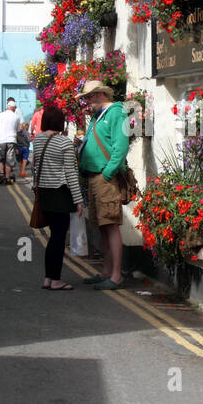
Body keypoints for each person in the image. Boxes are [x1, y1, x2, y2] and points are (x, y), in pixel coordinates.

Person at [77, 79, 131, 290]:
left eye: (88, 98)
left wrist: (108, 173)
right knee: (101, 227)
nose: (87, 103)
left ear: (99, 95)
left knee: (110, 226)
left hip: (104, 177)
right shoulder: (97, 116)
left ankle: (116, 275)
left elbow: (121, 145)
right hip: (95, 177)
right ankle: (107, 271)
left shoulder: (117, 112)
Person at [32, 105, 84, 291]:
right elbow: (71, 174)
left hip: (44, 192)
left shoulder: (38, 139)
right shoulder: (64, 143)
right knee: (58, 238)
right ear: (61, 122)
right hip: (60, 193)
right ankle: (55, 280)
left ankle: (48, 277)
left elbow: (35, 165)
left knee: (54, 237)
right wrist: (78, 200)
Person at [0, 97, 20, 185]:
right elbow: (18, 131)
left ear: (7, 107)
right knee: (9, 159)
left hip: (0, 140)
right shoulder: (16, 117)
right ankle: (7, 178)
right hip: (11, 140)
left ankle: (1, 174)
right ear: (14, 108)